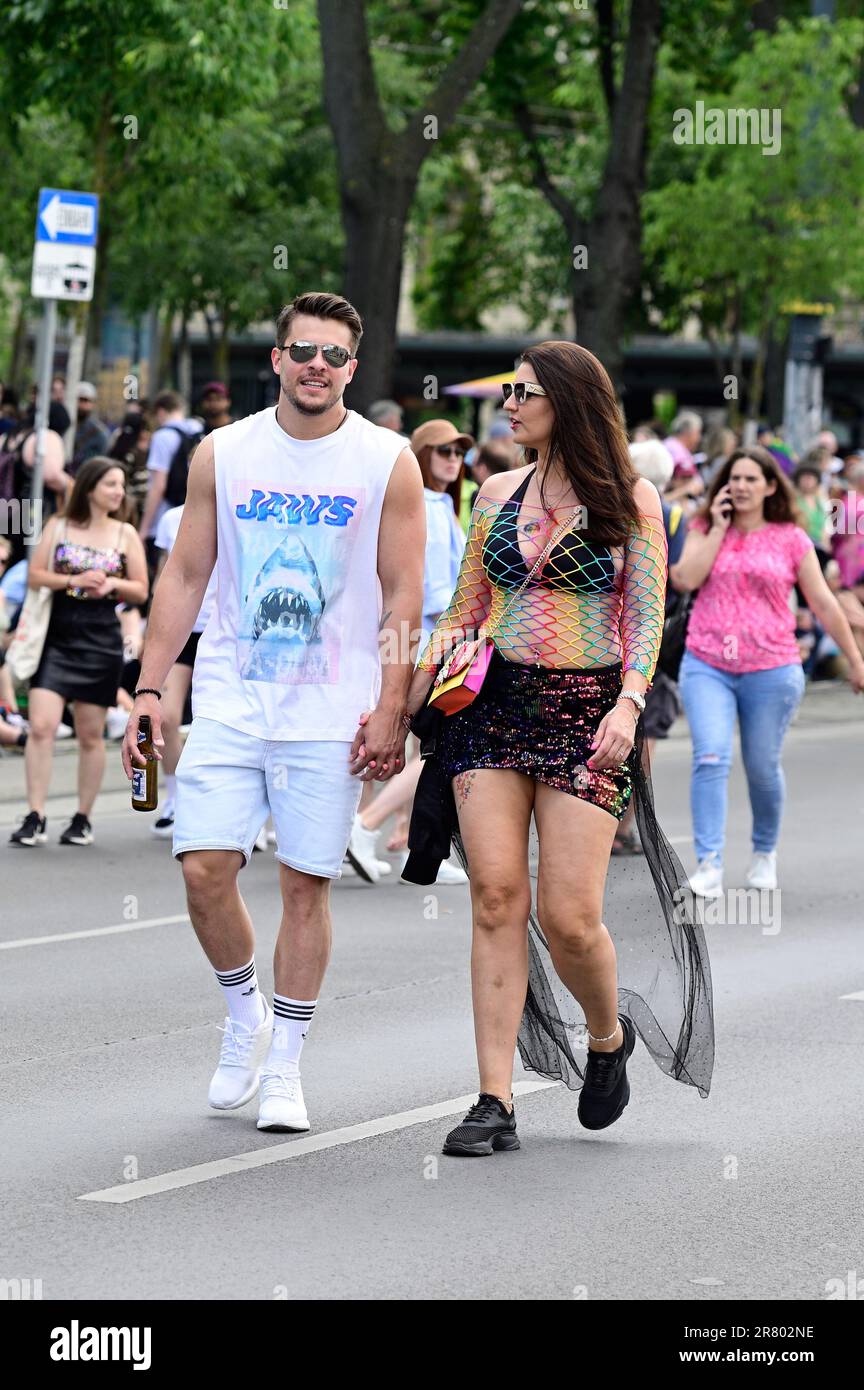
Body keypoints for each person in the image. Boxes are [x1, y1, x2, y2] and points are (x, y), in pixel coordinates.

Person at [121, 291, 425, 1134]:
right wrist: (149, 690)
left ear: (352, 370)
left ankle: (286, 1063)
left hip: (332, 711)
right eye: (304, 352)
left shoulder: (385, 459)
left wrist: (392, 706)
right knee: (202, 869)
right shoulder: (224, 452)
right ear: (279, 360)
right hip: (231, 698)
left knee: (304, 885)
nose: (317, 367)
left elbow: (403, 596)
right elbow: (183, 576)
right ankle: (245, 1015)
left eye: (333, 356)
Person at [402, 342, 715, 1157]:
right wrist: (399, 705)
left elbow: (645, 618)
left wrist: (631, 705)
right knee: (496, 898)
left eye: (525, 393)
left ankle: (606, 1038)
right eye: (509, 391)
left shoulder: (630, 498)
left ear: (569, 402)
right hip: (493, 708)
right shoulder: (497, 492)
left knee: (568, 917)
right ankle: (494, 1100)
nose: (509, 405)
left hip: (588, 712)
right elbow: (464, 612)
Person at [674, 446, 864, 897]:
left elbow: (822, 602)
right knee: (710, 758)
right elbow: (685, 578)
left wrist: (856, 661)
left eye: (750, 479)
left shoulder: (791, 539)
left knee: (761, 767)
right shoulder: (703, 526)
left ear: (771, 486)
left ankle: (763, 853)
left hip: (772, 668)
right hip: (707, 663)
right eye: (733, 479)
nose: (740, 486)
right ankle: (710, 864)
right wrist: (719, 529)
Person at [346, 418, 472, 885]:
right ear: (420, 454)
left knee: (413, 745)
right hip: (427, 640)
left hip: (419, 639)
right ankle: (367, 824)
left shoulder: (437, 503)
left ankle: (407, 842)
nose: (453, 460)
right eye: (443, 451)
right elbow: (435, 590)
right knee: (429, 749)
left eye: (458, 453)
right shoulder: (424, 505)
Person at [9, 458, 148, 848]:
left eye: (121, 485)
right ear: (89, 488)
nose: (119, 492)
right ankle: (35, 814)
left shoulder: (125, 534)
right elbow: (35, 575)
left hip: (101, 638)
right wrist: (73, 579)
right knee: (41, 726)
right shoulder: (59, 525)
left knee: (90, 734)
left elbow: (141, 589)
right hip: (57, 636)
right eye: (110, 484)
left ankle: (82, 818)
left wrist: (111, 585)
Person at [611, 439, 687, 855]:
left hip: (609, 635)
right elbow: (676, 575)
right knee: (645, 737)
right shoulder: (673, 516)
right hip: (652, 633)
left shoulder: (607, 505)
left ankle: (615, 823)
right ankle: (626, 821)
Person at [147, 500, 218, 836]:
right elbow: (167, 575)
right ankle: (174, 798)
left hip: (222, 629)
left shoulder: (240, 504)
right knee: (169, 717)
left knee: (221, 719)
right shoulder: (172, 518)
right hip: (183, 629)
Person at [137, 391, 204, 560]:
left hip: (164, 517)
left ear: (160, 412)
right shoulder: (197, 430)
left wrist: (144, 528)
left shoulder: (162, 437)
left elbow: (158, 485)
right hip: (193, 513)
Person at [459, 440, 513, 530]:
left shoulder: (476, 497)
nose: (472, 468)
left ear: (482, 469)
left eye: (474, 463)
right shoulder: (516, 499)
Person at [662, 411, 704, 504]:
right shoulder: (676, 450)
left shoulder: (671, 444)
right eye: (698, 433)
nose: (699, 438)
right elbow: (691, 483)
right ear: (688, 433)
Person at [72, 382, 110, 474]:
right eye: (80, 399)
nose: (82, 404)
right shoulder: (64, 426)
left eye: (86, 400)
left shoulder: (99, 433)